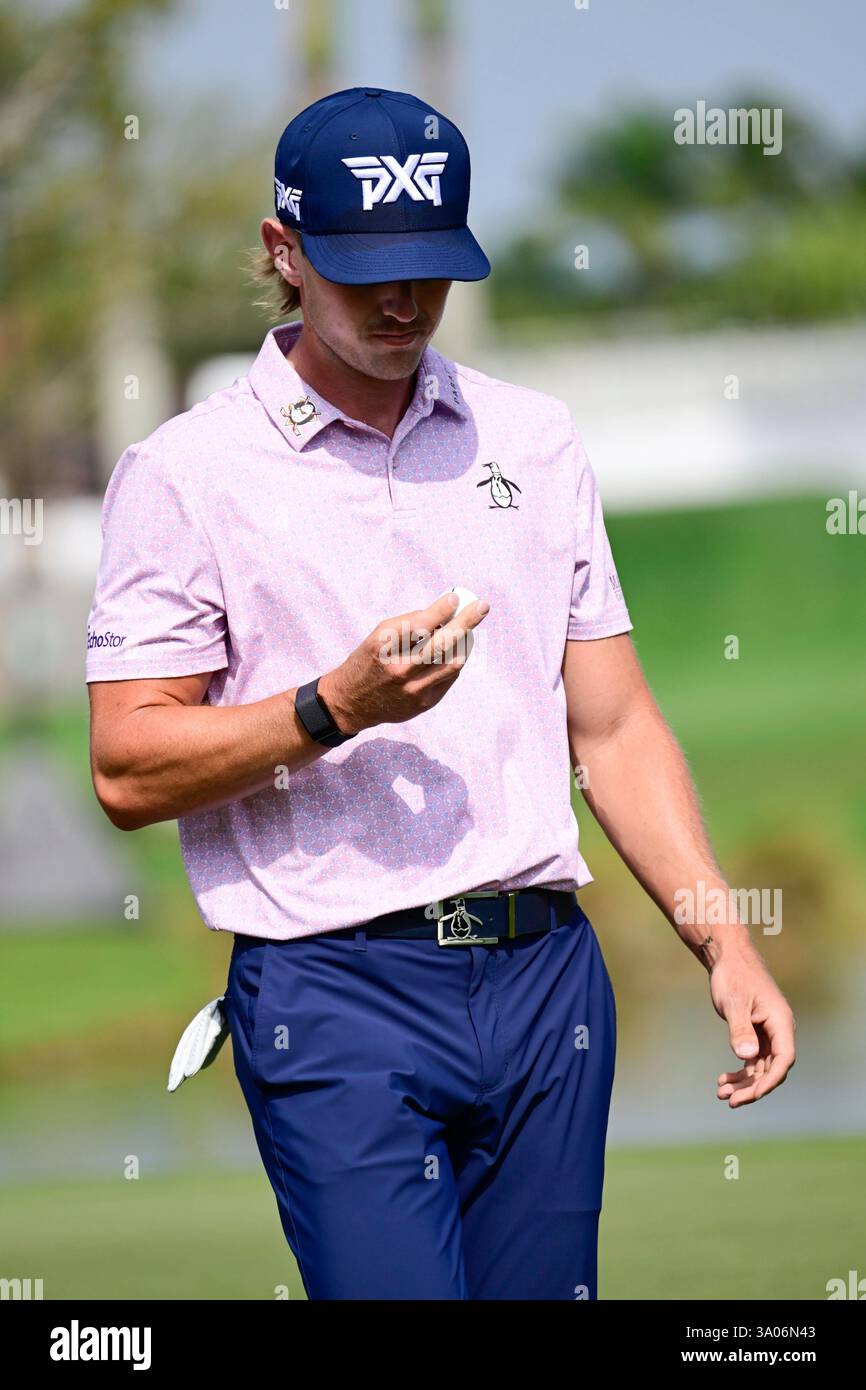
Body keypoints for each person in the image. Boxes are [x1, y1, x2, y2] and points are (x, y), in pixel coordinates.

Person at [85, 86, 796, 1301]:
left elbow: (612, 725)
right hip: (331, 986)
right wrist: (334, 707)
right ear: (284, 251)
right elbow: (127, 765)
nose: (404, 301)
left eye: (430, 267)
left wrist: (721, 935)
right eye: (367, 271)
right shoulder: (184, 475)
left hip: (542, 980)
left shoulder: (535, 439)